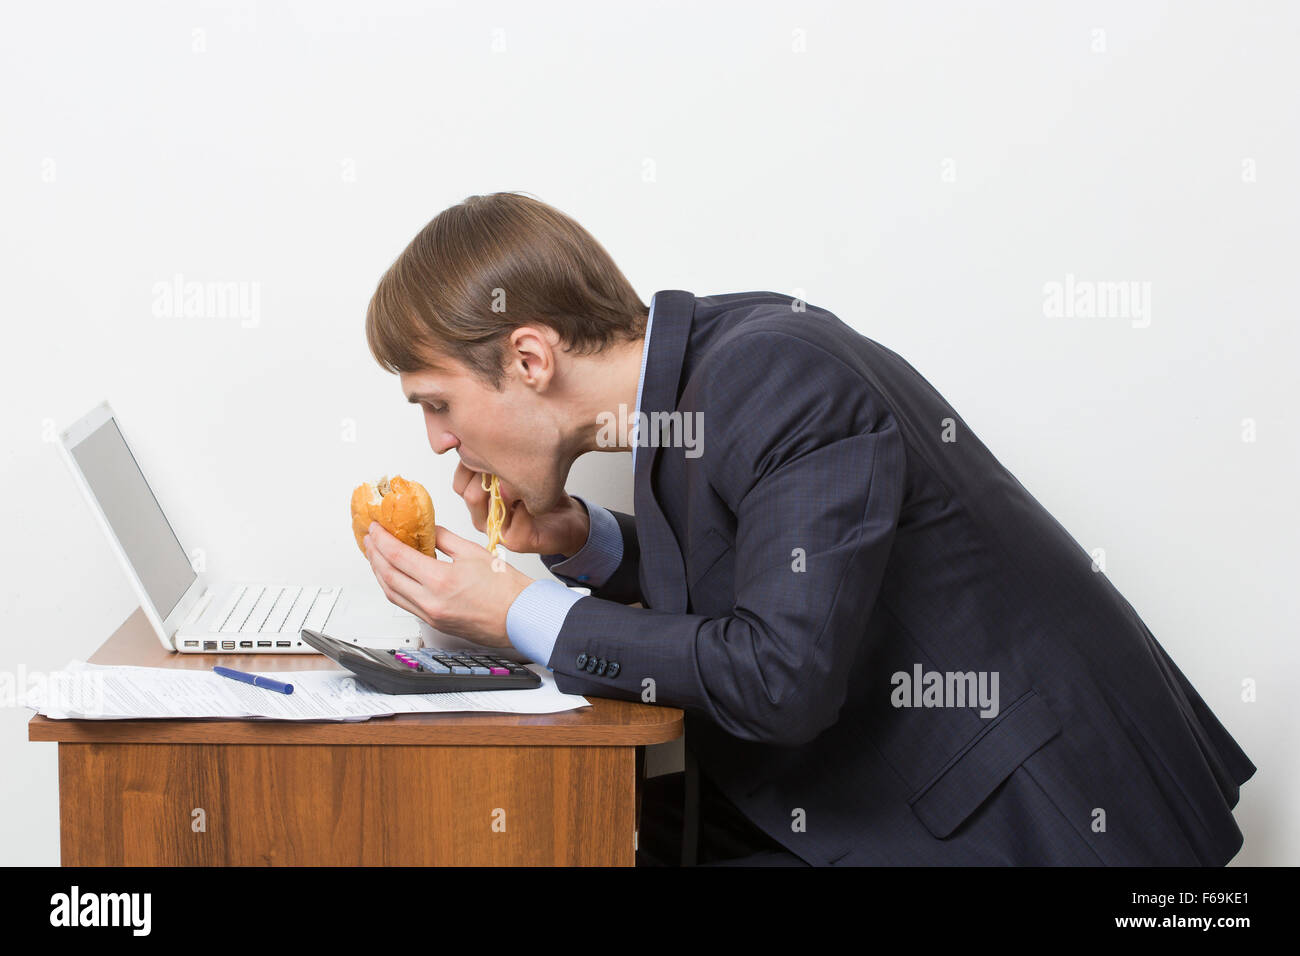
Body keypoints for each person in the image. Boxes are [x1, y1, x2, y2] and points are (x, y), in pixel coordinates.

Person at [358, 191, 1255, 866]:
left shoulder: (774, 375)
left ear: (528, 357)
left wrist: (516, 613)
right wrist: (581, 538)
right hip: (862, 790)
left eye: (438, 404)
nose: (439, 440)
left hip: (1032, 822)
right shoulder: (705, 374)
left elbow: (781, 674)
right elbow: (757, 572)